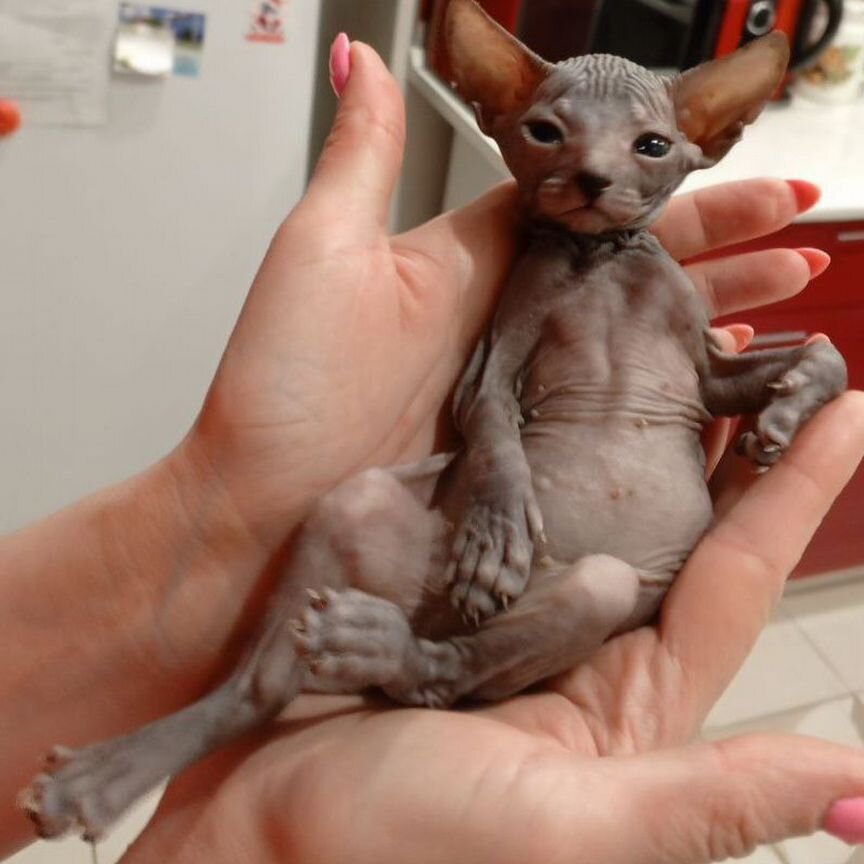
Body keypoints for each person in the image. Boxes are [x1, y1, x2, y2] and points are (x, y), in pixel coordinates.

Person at [2, 36, 864, 864]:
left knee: (598, 586)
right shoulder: (539, 271)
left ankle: (432, 668)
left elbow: (718, 381)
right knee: (358, 503)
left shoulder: (662, 280)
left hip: (606, 586)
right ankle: (211, 716)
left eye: (647, 144)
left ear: (708, 136)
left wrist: (813, 375)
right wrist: (496, 490)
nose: (596, 168)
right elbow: (485, 391)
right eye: (549, 132)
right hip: (475, 544)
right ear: (494, 109)